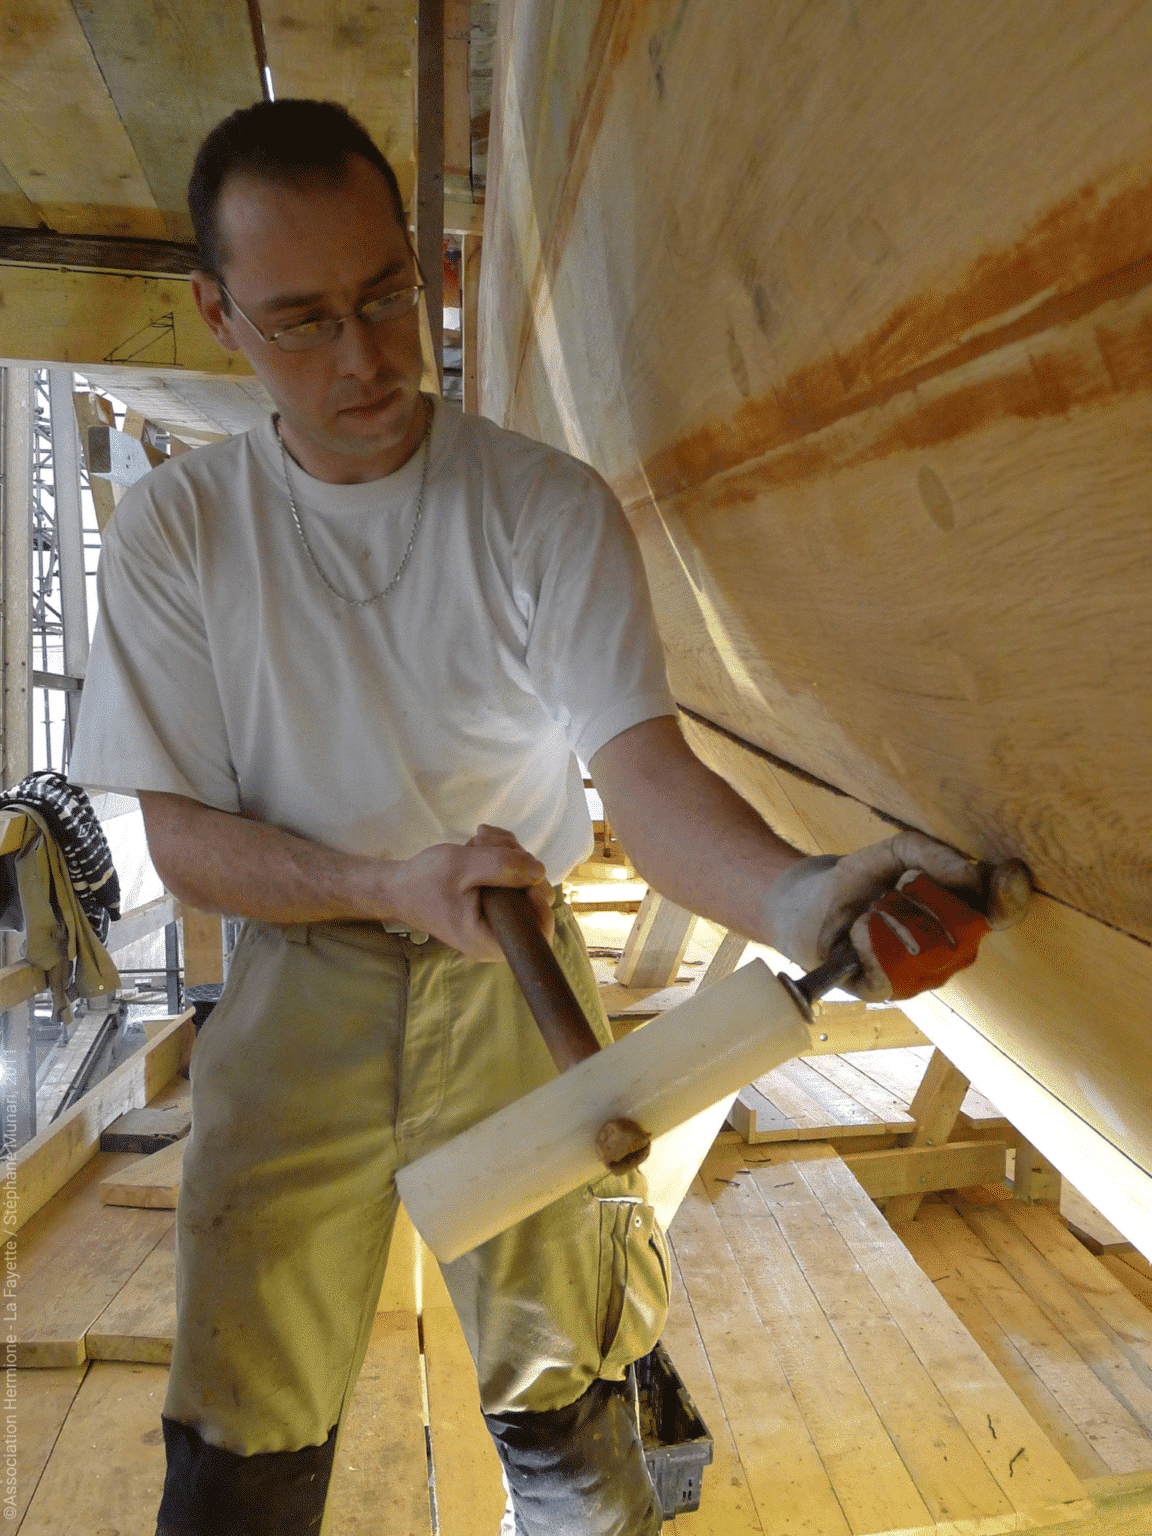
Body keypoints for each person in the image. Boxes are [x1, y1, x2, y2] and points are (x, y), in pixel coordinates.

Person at [69, 99, 1013, 1536]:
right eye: (302, 321)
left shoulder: (542, 509)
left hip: (515, 979)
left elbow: (644, 773)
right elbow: (182, 843)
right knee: (238, 1431)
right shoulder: (179, 529)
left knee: (565, 1398)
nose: (363, 358)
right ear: (217, 314)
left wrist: (796, 898)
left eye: (387, 298)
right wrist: (392, 884)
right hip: (296, 979)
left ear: (428, 270)